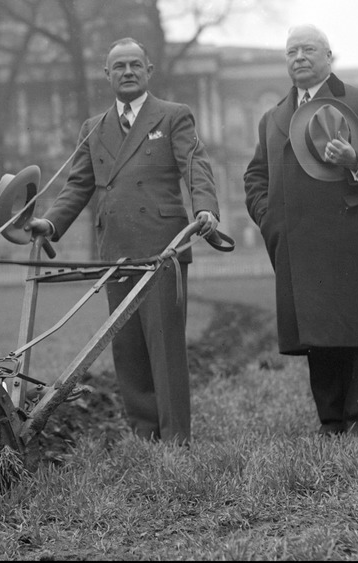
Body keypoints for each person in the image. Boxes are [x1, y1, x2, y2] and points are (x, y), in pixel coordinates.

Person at [25, 38, 220, 446]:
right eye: (119, 67)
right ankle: (144, 435)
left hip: (163, 251)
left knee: (164, 349)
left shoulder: (173, 116)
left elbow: (195, 165)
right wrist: (50, 223)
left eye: (135, 65)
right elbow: (77, 186)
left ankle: (175, 441)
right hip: (116, 252)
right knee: (128, 352)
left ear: (149, 70)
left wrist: (206, 208)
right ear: (107, 75)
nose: (127, 72)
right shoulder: (93, 128)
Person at [243, 24, 358, 439]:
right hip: (298, 244)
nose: (299, 57)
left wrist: (356, 158)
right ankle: (330, 422)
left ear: (329, 56)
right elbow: (255, 177)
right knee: (317, 333)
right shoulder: (273, 117)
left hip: (350, 238)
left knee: (353, 329)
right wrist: (269, 218)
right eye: (291, 50)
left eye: (308, 49)